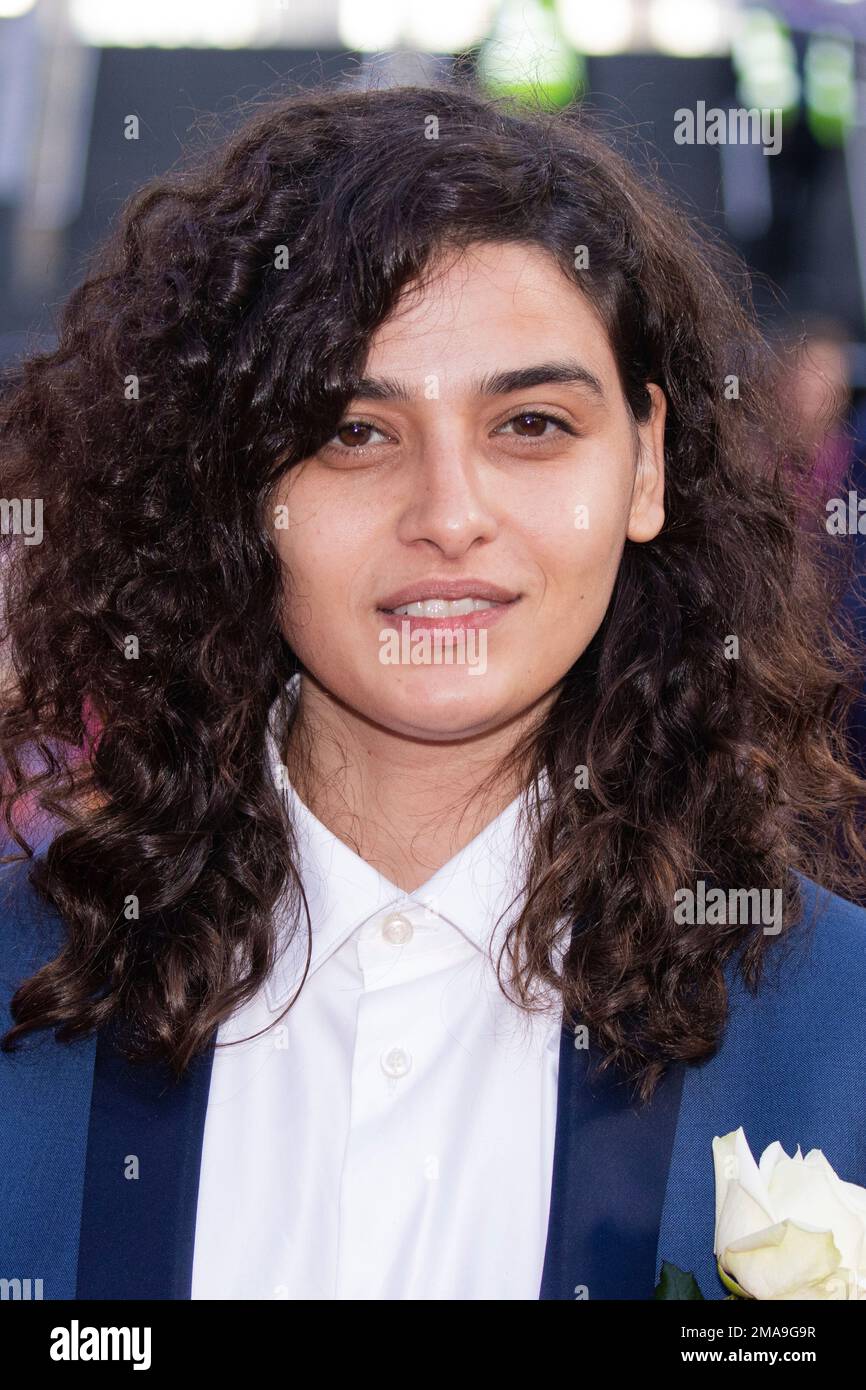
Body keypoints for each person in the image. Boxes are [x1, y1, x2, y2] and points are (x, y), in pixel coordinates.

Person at [1, 80, 865, 1303]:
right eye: (353, 432)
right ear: (233, 483)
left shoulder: (838, 1032)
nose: (449, 515)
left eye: (530, 422)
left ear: (646, 461)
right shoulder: (25, 992)